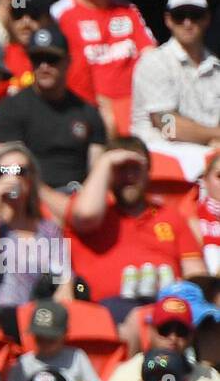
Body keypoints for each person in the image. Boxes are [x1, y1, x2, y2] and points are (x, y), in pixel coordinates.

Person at [67, 137, 205, 328]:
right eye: (120, 168)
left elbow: (196, 275)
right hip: (105, 313)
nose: (129, 176)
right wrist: (106, 161)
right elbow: (86, 214)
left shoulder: (171, 216)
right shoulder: (89, 209)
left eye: (136, 168)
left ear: (148, 172)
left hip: (165, 312)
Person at [0, 24, 106, 191]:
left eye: (52, 60)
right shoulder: (11, 108)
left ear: (67, 62)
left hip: (78, 200)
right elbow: (5, 167)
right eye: (37, 60)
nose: (44, 67)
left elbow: (98, 172)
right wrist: (43, 196)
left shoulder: (87, 112)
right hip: (28, 199)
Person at [49, 0, 154, 135]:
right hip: (86, 107)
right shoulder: (59, 12)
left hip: (137, 106)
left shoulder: (128, 10)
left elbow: (151, 55)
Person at [0, 143, 72, 309]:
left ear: (32, 178)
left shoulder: (48, 229)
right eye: (4, 172)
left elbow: (61, 273)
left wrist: (66, 284)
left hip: (32, 316)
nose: (12, 178)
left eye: (20, 171)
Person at [130, 0, 220, 179]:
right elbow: (168, 126)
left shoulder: (216, 67)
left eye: (195, 15)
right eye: (180, 16)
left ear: (206, 19)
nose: (188, 23)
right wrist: (215, 135)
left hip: (206, 152)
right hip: (159, 156)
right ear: (168, 20)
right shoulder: (154, 61)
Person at [94, 291, 220, 381]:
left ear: (191, 337)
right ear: (150, 331)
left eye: (181, 332)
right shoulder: (128, 372)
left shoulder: (209, 377)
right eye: (164, 330)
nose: (173, 338)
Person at [8, 300, 100, 381]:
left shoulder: (76, 356)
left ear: (64, 335)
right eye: (40, 338)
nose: (45, 344)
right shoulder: (24, 364)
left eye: (51, 339)